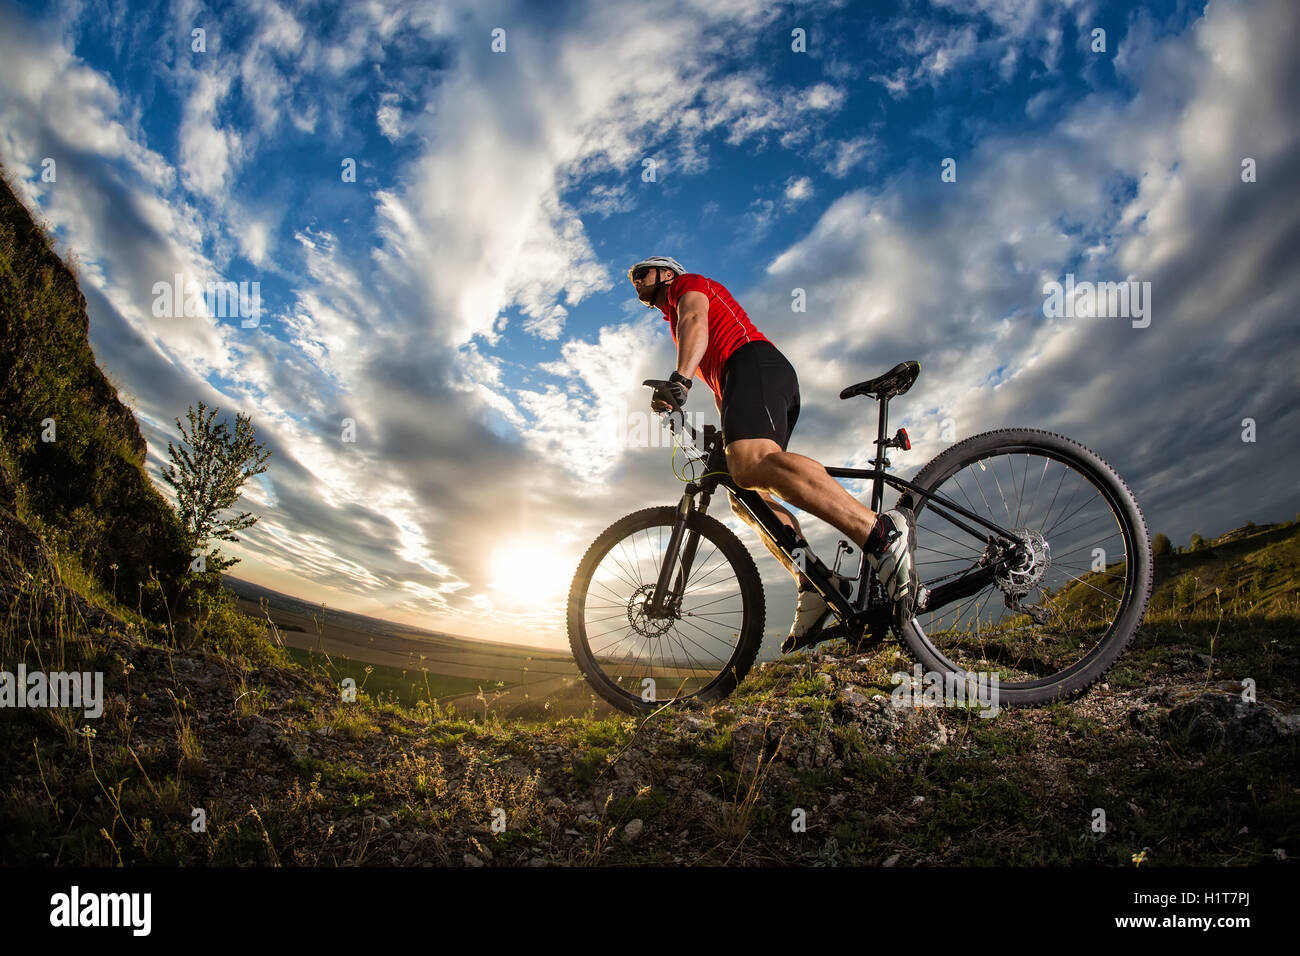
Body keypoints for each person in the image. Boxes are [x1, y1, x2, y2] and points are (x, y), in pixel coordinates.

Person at [628, 255, 918, 650]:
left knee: (751, 464)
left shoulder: (688, 286)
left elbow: (696, 322)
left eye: (640, 273)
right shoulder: (676, 321)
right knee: (744, 496)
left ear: (667, 273)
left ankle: (881, 535)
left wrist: (680, 381)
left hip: (755, 362)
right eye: (632, 279)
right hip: (742, 380)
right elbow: (723, 391)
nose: (635, 281)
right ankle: (814, 582)